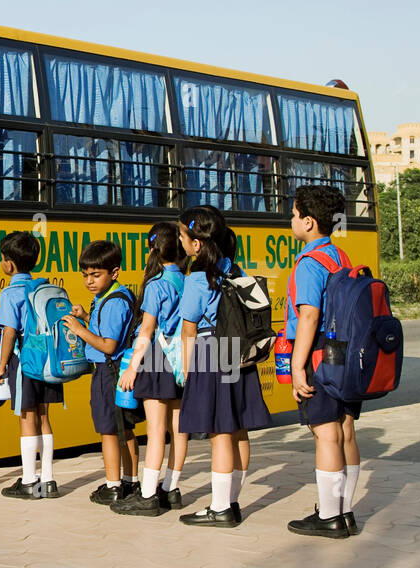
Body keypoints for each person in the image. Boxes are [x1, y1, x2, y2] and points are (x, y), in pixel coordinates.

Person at [176, 205, 272, 527]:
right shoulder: (235, 270)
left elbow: (189, 328)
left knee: (218, 432)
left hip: (208, 351)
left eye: (182, 235)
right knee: (237, 428)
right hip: (235, 350)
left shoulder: (198, 279)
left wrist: (188, 370)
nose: (181, 241)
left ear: (197, 244)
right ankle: (232, 501)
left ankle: (219, 509)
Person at [284, 184, 361, 539]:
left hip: (319, 355)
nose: (292, 219)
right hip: (345, 353)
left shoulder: (308, 263)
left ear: (310, 222)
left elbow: (309, 316)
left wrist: (298, 365)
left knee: (325, 433)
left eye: (296, 214)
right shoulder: (340, 255)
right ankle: (344, 511)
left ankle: (329, 516)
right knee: (345, 429)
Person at [110, 221, 189, 516]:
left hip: (158, 359)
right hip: (185, 360)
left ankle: (147, 495)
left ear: (154, 249)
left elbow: (146, 331)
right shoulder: (188, 280)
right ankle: (171, 489)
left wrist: (131, 368)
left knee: (156, 430)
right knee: (179, 430)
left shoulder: (157, 286)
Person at [64, 240, 141, 504]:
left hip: (109, 373)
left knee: (109, 431)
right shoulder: (114, 296)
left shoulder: (113, 303)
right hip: (117, 372)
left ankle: (113, 485)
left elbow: (108, 344)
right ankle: (130, 482)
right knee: (124, 428)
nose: (89, 281)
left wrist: (80, 330)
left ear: (115, 272)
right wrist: (86, 316)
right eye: (85, 275)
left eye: (96, 275)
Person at [0, 231, 63, 500]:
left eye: (2, 259)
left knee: (26, 418)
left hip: (25, 363)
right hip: (48, 360)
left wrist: (1, 366)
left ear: (9, 264)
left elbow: (9, 332)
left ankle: (28, 480)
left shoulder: (11, 293)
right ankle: (48, 480)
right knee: (44, 417)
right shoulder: (43, 287)